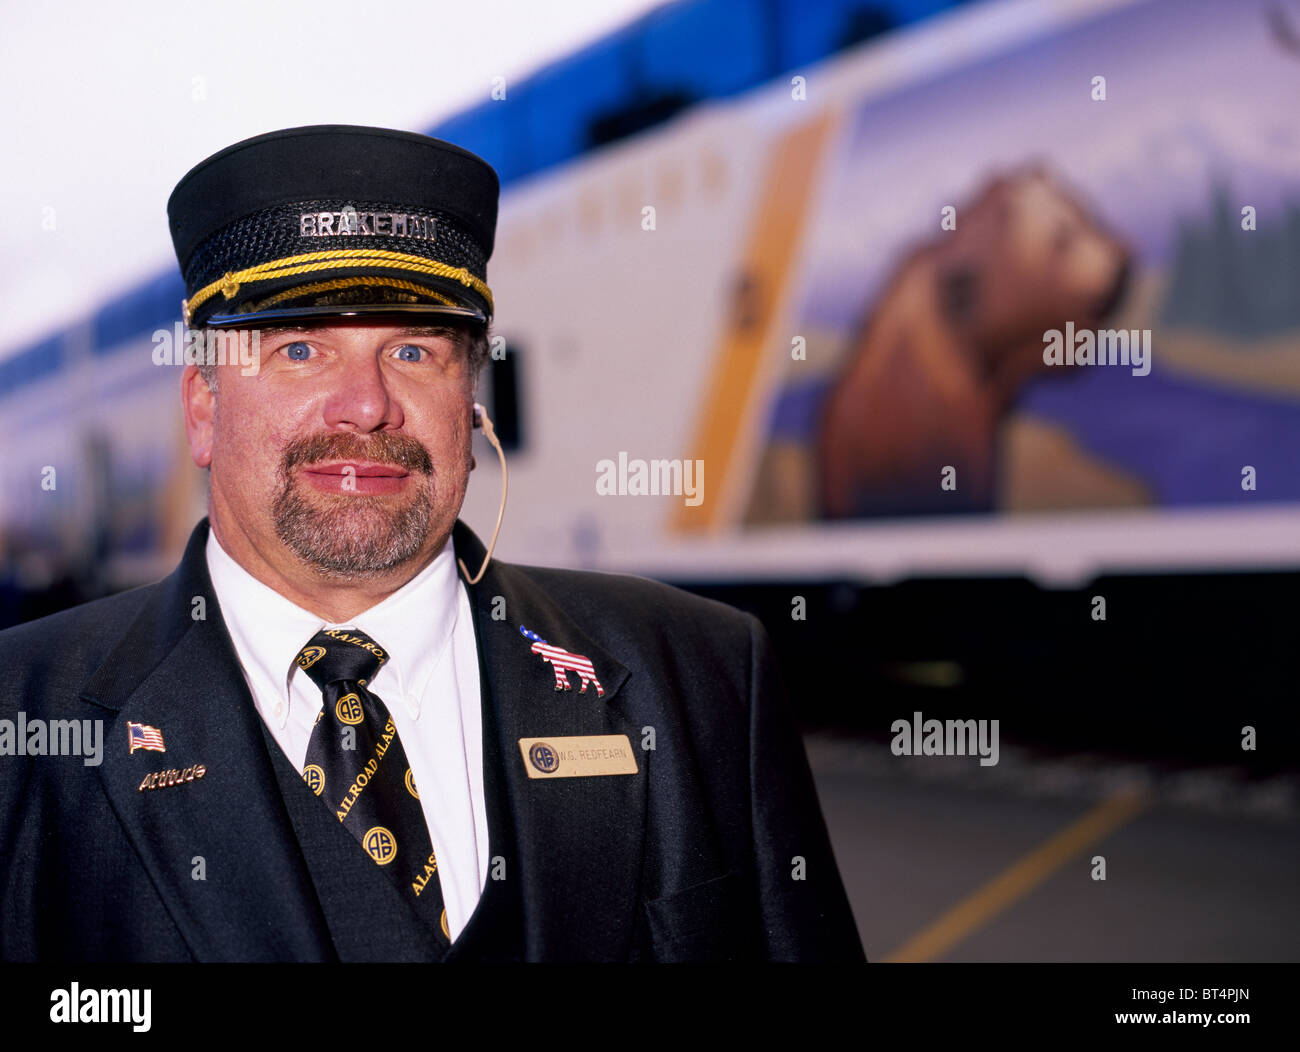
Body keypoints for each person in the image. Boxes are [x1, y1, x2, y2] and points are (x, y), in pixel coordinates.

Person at [0, 125, 865, 962]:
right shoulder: (25, 720)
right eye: (301, 349)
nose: (366, 405)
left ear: (471, 396)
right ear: (203, 408)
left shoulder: (702, 676)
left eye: (414, 350)